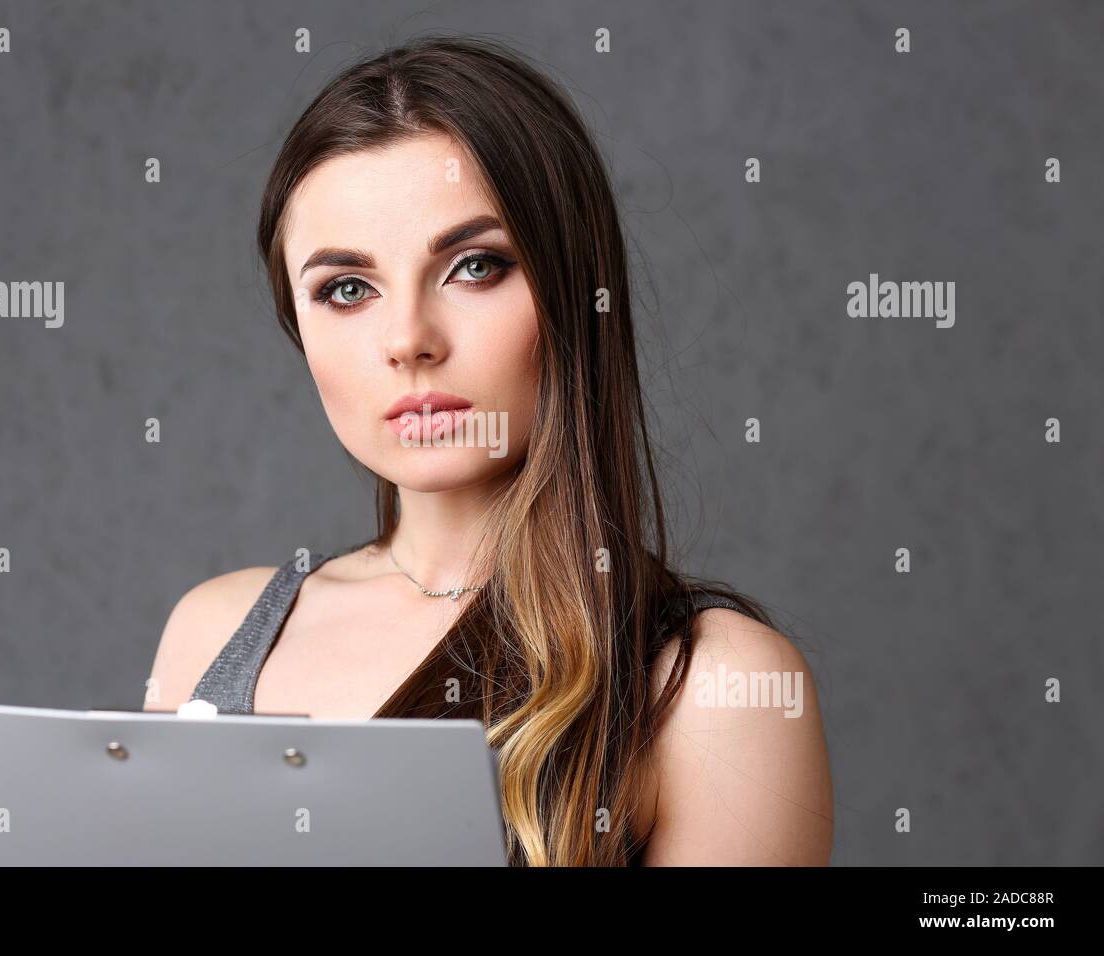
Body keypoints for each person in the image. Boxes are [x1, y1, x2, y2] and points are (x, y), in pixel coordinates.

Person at [146, 34, 833, 867]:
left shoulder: (715, 689)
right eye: (347, 289)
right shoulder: (213, 632)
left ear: (575, 293)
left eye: (475, 267)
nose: (408, 340)